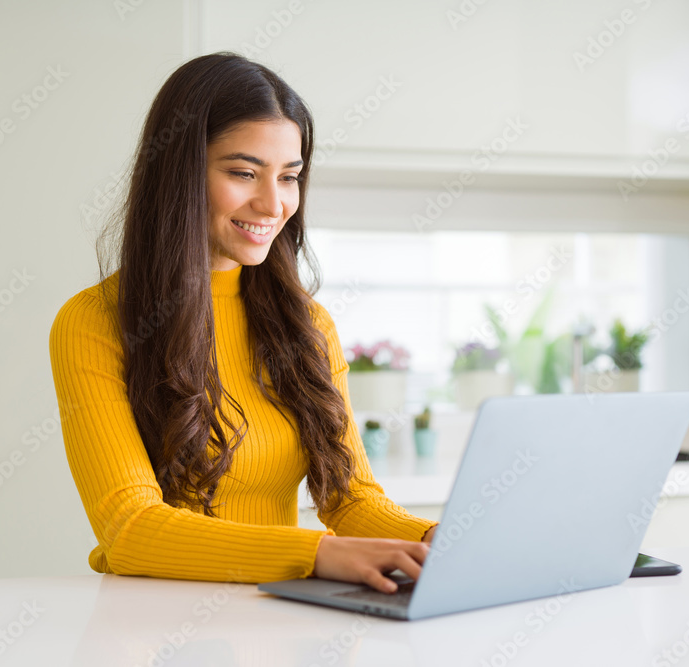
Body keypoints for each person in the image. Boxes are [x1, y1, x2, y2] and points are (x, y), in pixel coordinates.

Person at [49, 52, 437, 595]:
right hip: (151, 623)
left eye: (289, 177)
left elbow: (351, 500)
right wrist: (318, 555)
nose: (273, 203)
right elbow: (130, 528)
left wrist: (441, 537)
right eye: (243, 172)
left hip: (277, 613)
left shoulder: (308, 325)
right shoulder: (95, 322)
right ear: (179, 172)